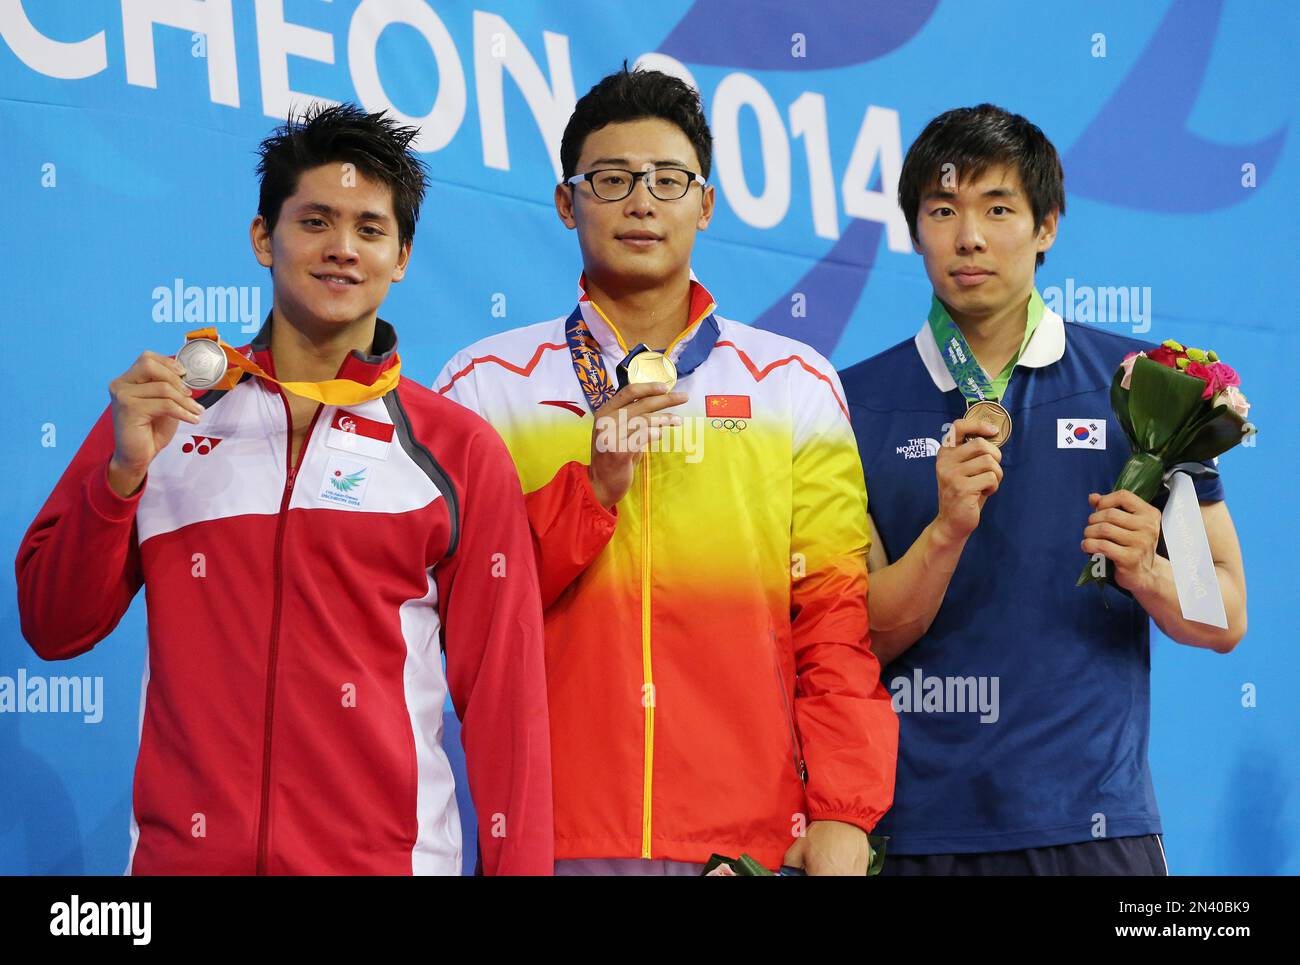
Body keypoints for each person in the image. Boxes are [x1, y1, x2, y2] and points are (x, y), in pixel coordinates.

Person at [16, 103, 553, 875]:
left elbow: (510, 713)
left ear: (401, 256)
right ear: (264, 238)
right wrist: (121, 477)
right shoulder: (164, 413)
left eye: (370, 229)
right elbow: (52, 624)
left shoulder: (457, 452)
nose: (342, 249)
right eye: (315, 222)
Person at [436, 67, 898, 876]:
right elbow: (461, 611)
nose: (641, 202)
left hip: (747, 846)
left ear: (706, 204)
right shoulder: (483, 385)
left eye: (668, 180)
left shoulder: (794, 384)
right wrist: (590, 491)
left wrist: (844, 812)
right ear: (564, 202)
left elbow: (832, 618)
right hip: (550, 838)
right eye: (610, 180)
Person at [839, 104, 1247, 875]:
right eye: (942, 210)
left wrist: (1152, 574)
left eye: (999, 209)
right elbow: (860, 634)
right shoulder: (851, 402)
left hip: (1093, 828)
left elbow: (1223, 611)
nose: (970, 237)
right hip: (915, 828)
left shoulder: (1148, 388)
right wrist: (945, 531)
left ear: (1047, 226)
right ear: (913, 229)